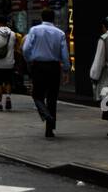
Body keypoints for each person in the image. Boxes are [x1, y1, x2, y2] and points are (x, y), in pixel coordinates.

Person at [22, 8, 72, 139]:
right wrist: (66, 69)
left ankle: (45, 114)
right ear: (53, 18)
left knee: (37, 94)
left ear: (41, 17)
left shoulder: (34, 30)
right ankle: (49, 130)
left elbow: (26, 48)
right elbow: (65, 54)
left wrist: (30, 59)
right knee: (52, 98)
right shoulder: (60, 33)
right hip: (54, 67)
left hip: (38, 66)